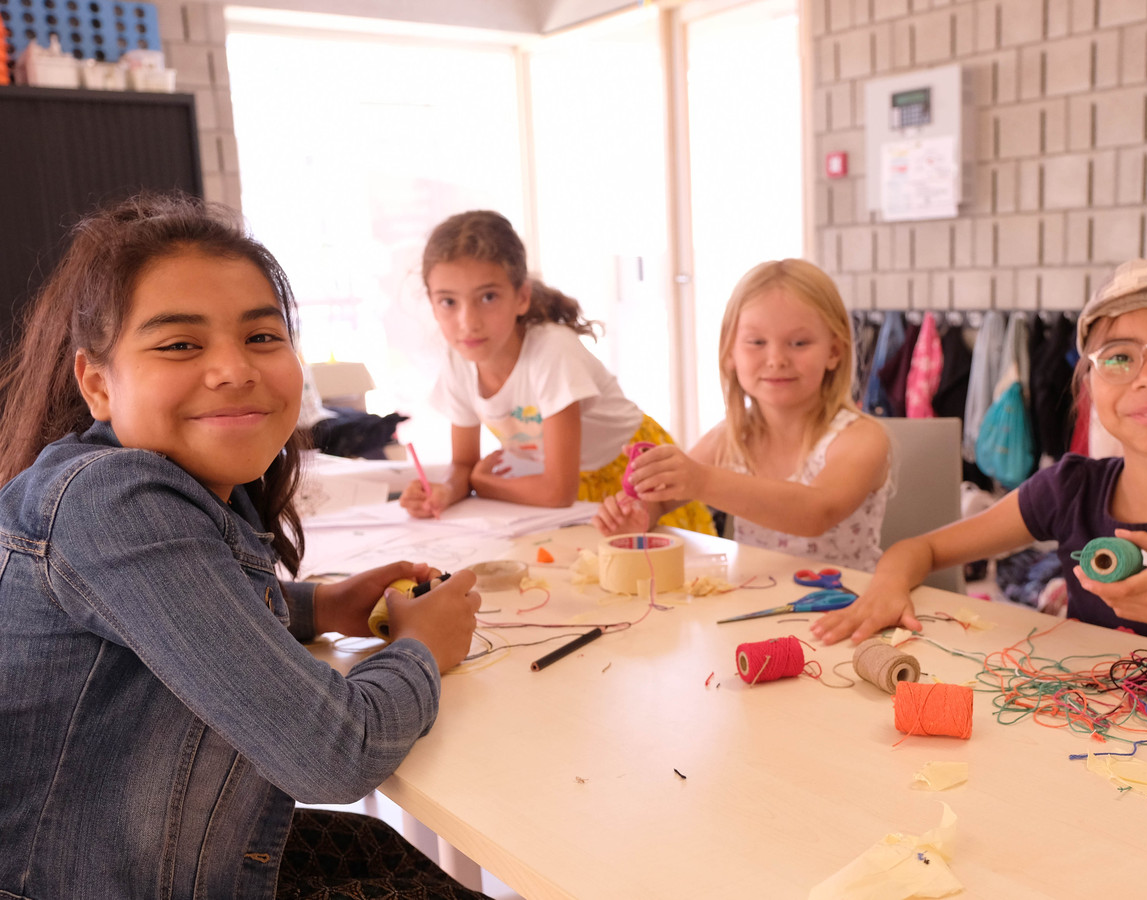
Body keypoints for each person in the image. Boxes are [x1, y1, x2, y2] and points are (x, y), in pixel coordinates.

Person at [0, 193, 491, 899]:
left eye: (262, 337)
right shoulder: (116, 500)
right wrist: (422, 647)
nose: (234, 369)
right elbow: (332, 754)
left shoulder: (141, 487)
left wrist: (317, 605)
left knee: (379, 849)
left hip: (143, 853)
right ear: (98, 383)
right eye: (179, 344)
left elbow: (167, 611)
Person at [812, 258, 1147, 680]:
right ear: (1090, 384)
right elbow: (919, 550)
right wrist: (887, 586)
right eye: (1119, 356)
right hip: (1091, 745)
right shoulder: (1069, 490)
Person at [399, 209, 715, 534]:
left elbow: (557, 492)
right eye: (449, 302)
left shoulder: (551, 351)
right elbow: (464, 465)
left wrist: (482, 483)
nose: (468, 321)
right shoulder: (459, 360)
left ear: (521, 297)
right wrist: (446, 490)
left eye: (488, 297)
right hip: (552, 491)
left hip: (628, 476)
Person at [593, 258, 893, 572]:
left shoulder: (861, 438)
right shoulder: (731, 437)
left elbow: (816, 511)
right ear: (730, 353)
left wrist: (701, 479)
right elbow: (664, 501)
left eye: (799, 343)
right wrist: (639, 513)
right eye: (756, 342)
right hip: (757, 602)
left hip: (850, 607)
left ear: (834, 352)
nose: (776, 359)